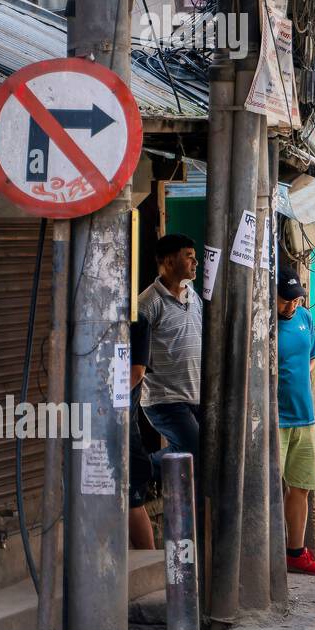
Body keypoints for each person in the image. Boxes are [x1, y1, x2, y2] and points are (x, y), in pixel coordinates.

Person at [275, 268, 315, 577]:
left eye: (295, 300)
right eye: (285, 301)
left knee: (301, 488)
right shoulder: (263, 322)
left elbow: (312, 362)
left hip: (305, 418)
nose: (290, 307)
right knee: (270, 489)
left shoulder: (304, 318)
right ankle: (269, 554)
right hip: (275, 421)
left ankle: (296, 553)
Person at [138, 234, 202, 468]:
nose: (195, 263)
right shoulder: (147, 303)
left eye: (195, 258)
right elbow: (135, 359)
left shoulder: (193, 296)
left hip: (194, 393)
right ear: (169, 261)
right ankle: (139, 472)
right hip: (164, 398)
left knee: (203, 454)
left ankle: (186, 502)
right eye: (189, 257)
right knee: (192, 450)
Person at [127, 319, 155, 550]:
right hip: (87, 422)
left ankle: (149, 559)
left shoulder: (138, 322)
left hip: (124, 425)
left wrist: (104, 401)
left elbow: (137, 373)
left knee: (132, 500)